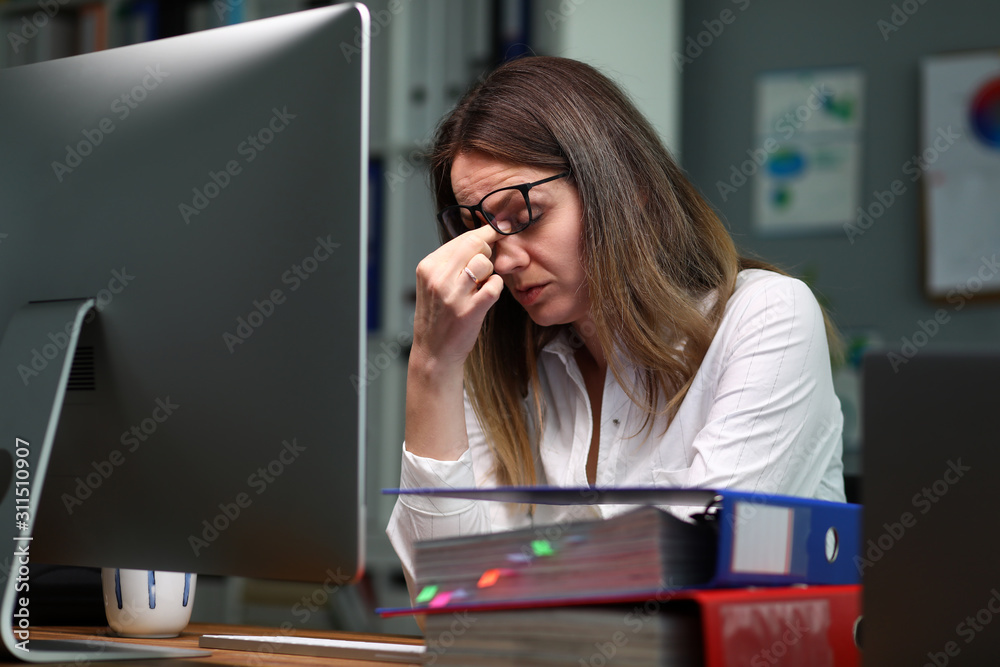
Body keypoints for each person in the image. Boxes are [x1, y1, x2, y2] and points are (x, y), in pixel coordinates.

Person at [386, 56, 845, 598]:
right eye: (478, 229)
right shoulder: (498, 365)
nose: (503, 260)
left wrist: (505, 578)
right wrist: (431, 368)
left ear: (628, 187)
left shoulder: (769, 316)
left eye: (525, 213)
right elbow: (442, 607)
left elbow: (691, 575)